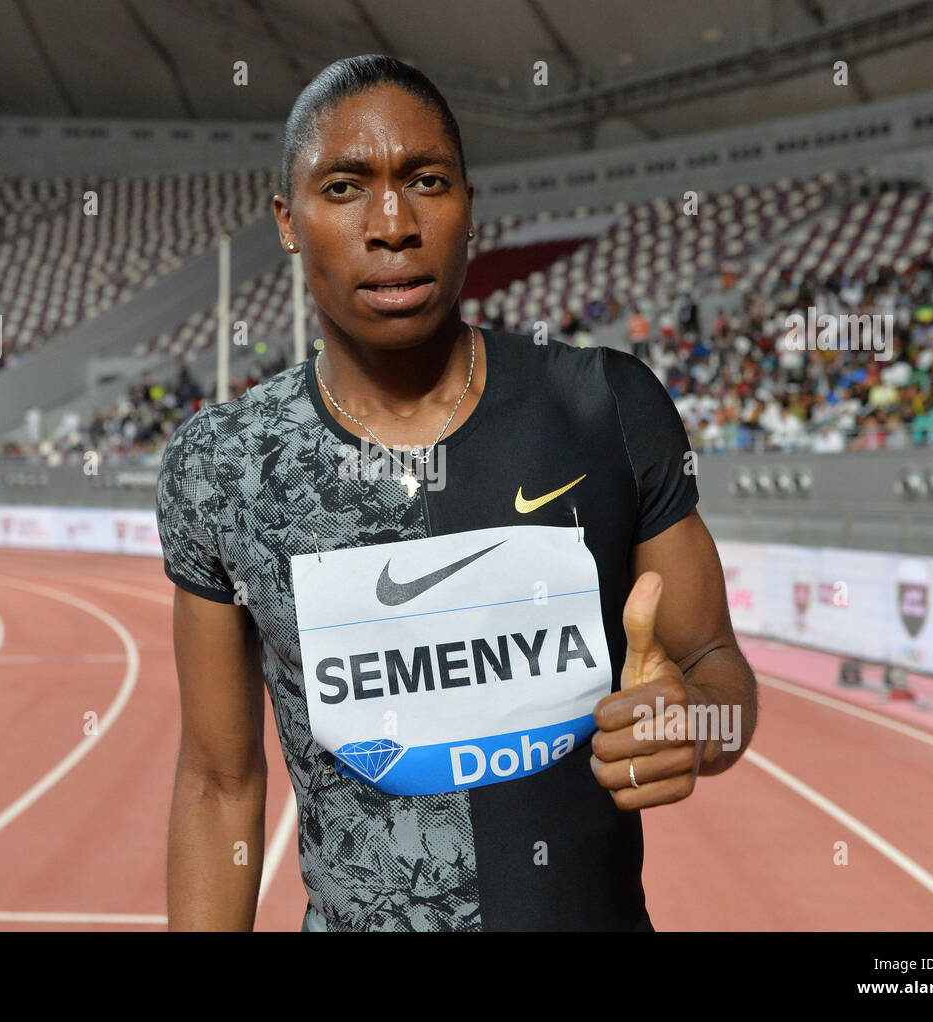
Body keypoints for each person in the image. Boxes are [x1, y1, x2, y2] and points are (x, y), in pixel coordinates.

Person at [156, 54, 757, 933]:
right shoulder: (224, 465)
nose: (392, 223)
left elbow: (716, 671)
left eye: (426, 181)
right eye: (345, 186)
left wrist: (697, 725)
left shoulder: (606, 406)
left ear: (470, 203)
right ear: (288, 221)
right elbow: (216, 784)